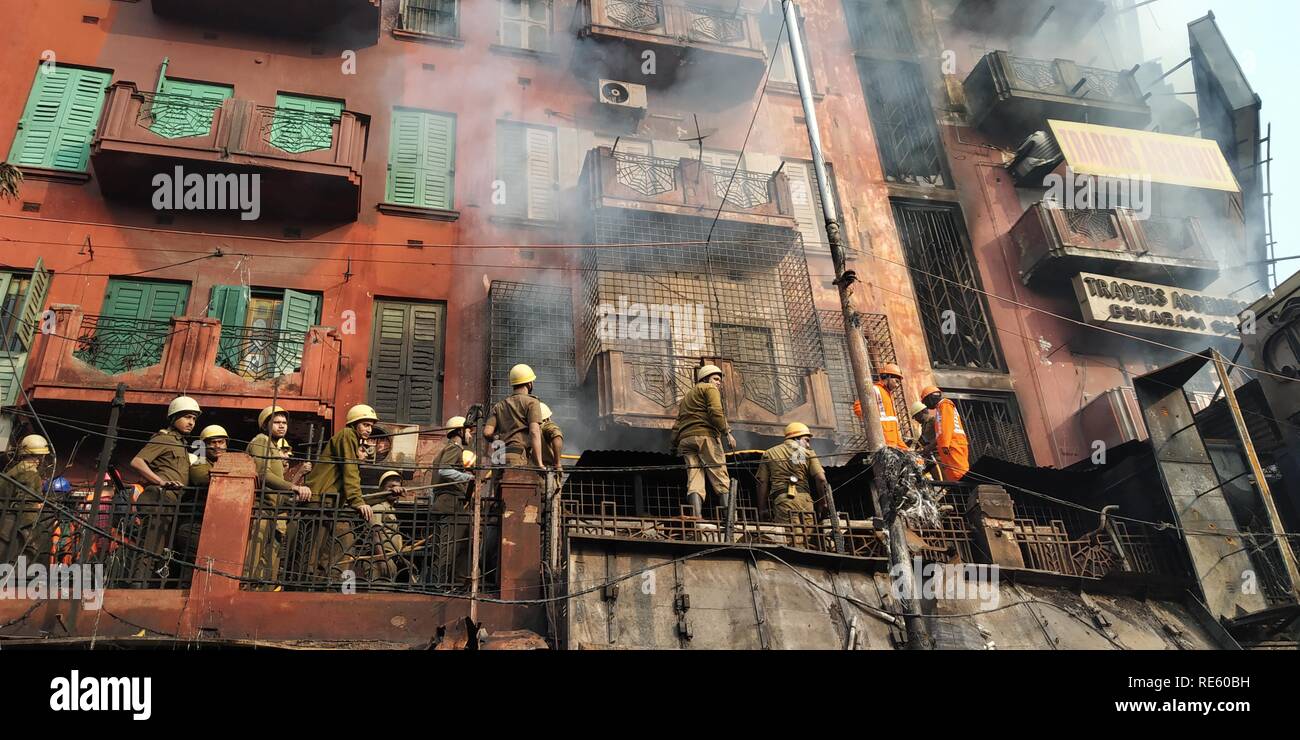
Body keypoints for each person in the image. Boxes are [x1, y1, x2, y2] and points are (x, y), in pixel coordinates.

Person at [127, 395, 199, 584]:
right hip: (158, 498)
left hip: (171, 503)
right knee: (151, 547)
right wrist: (160, 481)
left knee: (161, 551)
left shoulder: (182, 444)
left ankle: (145, 585)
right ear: (174, 417)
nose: (191, 422)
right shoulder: (163, 439)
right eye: (187, 417)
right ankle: (136, 587)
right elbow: (137, 462)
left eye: (194, 418)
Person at [303, 404, 379, 583]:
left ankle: (315, 584)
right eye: (365, 425)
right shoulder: (347, 434)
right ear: (355, 424)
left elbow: (348, 466)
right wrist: (357, 501)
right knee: (313, 551)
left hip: (328, 501)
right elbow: (349, 469)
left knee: (322, 549)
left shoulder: (351, 438)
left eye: (370, 426)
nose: (369, 429)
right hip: (321, 499)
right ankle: (305, 584)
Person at [246, 405, 312, 586]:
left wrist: (291, 497)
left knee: (270, 563)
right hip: (262, 510)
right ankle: (247, 589)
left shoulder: (274, 447)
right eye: (276, 422)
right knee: (253, 560)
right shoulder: (261, 440)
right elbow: (262, 474)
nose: (282, 426)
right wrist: (293, 487)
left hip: (273, 511)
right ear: (265, 424)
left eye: (284, 423)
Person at [670, 364, 735, 519]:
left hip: (686, 440)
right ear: (706, 378)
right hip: (705, 436)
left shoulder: (686, 397)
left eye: (719, 380)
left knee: (694, 479)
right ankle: (730, 521)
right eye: (716, 379)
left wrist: (673, 445)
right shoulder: (709, 388)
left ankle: (696, 518)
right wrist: (727, 432)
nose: (719, 383)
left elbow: (677, 424)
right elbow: (715, 412)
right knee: (720, 476)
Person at [755, 423, 830, 549]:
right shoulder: (808, 453)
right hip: (806, 500)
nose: (808, 444)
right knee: (807, 538)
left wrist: (762, 508)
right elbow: (821, 479)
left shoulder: (769, 453)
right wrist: (823, 502)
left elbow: (761, 482)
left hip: (783, 500)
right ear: (796, 438)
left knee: (790, 540)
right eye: (806, 440)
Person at [431, 415, 475, 588]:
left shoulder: (446, 449)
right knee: (449, 549)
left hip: (448, 504)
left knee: (456, 546)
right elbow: (444, 470)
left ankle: (452, 583)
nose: (470, 436)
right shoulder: (454, 448)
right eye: (469, 432)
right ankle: (442, 585)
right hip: (451, 505)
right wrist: (468, 477)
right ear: (460, 431)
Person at [0, 434, 50, 563]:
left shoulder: (15, 469)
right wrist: (30, 533)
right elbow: (27, 506)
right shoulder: (30, 473)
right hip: (12, 525)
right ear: (41, 456)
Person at [483, 363, 544, 469]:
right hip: (517, 456)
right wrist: (539, 464)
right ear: (529, 384)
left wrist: (499, 438)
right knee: (515, 485)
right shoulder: (532, 402)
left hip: (499, 457)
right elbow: (534, 431)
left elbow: (487, 433)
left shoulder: (499, 406)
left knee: (499, 485)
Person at [920, 386, 970, 482]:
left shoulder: (945, 404)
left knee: (958, 473)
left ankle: (965, 491)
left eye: (925, 402)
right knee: (953, 473)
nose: (926, 405)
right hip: (950, 445)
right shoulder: (941, 408)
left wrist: (944, 445)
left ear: (930, 397)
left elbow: (947, 425)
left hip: (952, 445)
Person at [909, 401, 940, 480]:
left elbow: (941, 436)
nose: (915, 419)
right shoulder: (924, 425)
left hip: (939, 457)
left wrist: (928, 447)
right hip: (931, 457)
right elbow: (922, 440)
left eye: (915, 416)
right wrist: (910, 450)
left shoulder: (934, 421)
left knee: (942, 478)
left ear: (922, 412)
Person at [538, 403, 564, 471]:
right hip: (545, 471)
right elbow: (557, 437)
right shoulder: (547, 426)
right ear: (547, 418)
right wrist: (557, 463)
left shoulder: (526, 428)